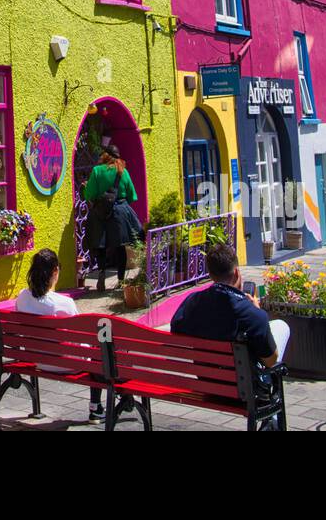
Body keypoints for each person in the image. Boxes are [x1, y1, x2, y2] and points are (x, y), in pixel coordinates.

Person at [170, 242, 289, 426]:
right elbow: (271, 360)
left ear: (211, 275)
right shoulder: (251, 314)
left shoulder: (193, 302)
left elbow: (175, 329)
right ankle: (271, 417)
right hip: (243, 390)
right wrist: (258, 313)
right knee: (281, 326)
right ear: (236, 273)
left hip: (209, 384)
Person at [15, 248, 107, 423]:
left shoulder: (22, 297)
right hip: (67, 364)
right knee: (99, 350)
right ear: (55, 271)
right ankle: (95, 408)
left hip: (37, 360)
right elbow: (82, 336)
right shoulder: (64, 303)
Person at [83, 152, 142, 291]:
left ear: (104, 156)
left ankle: (102, 272)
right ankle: (121, 280)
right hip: (120, 212)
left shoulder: (97, 171)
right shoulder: (123, 170)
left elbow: (89, 194)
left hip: (100, 213)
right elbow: (131, 195)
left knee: (101, 245)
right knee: (120, 247)